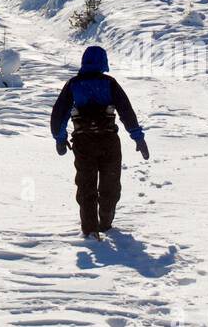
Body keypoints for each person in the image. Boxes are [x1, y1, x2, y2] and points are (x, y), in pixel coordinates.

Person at [50, 45, 149, 241]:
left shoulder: (74, 84)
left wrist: (60, 140)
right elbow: (126, 112)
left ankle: (90, 230)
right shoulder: (110, 83)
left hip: (83, 142)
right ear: (104, 62)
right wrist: (138, 137)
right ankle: (105, 222)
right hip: (108, 141)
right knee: (110, 185)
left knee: (86, 185)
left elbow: (58, 116)